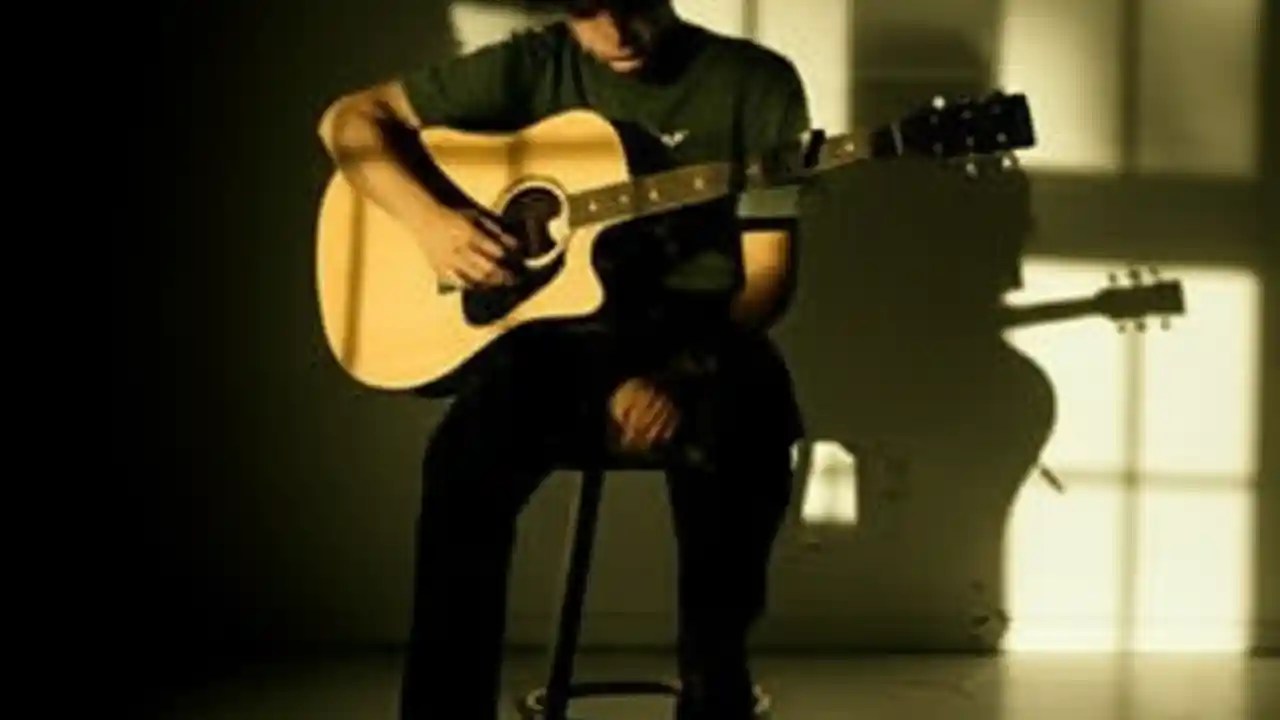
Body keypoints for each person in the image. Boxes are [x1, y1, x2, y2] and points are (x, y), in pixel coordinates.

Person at [316, 1, 811, 717]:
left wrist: (677, 372)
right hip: (559, 340)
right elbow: (349, 120)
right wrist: (432, 223)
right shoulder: (538, 63)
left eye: (631, 4)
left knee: (746, 436)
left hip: (698, 338)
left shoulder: (756, 82)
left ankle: (715, 692)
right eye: (586, 10)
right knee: (463, 461)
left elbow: (765, 277)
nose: (613, 36)